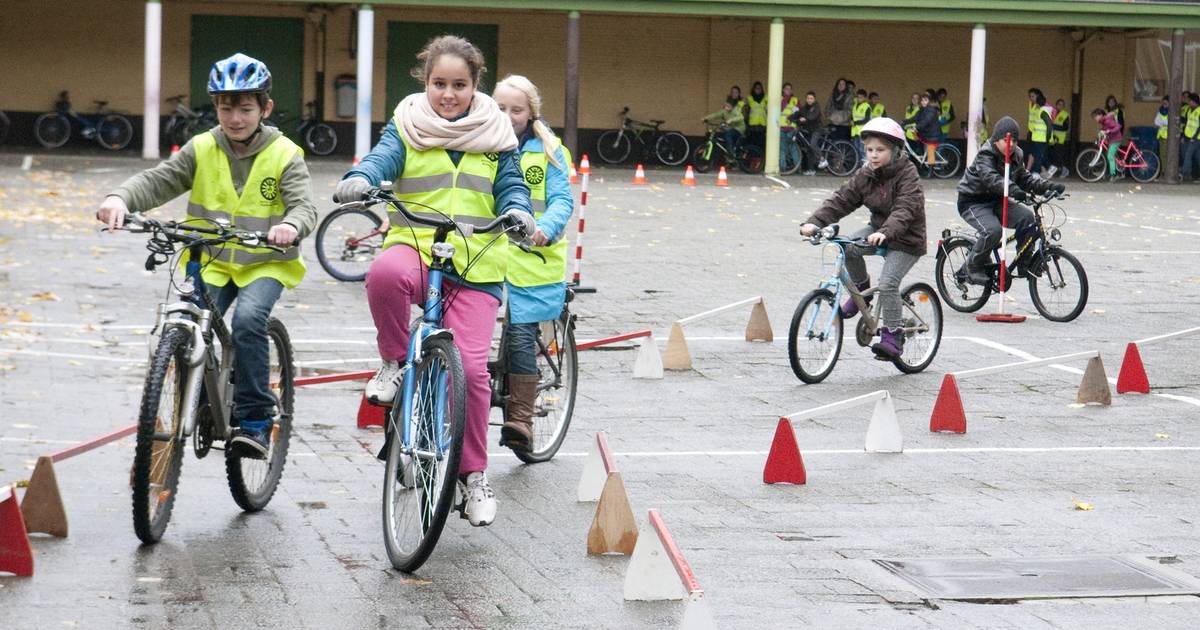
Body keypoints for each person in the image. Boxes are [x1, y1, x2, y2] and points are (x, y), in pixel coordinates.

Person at [335, 35, 534, 527]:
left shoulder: (497, 134)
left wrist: (517, 210)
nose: (448, 94)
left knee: (470, 369)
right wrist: (362, 178)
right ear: (425, 83)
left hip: (476, 263)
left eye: (459, 85)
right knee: (383, 273)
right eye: (439, 83)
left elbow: (512, 183)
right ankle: (391, 365)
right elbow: (382, 160)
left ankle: (473, 477)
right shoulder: (406, 126)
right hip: (417, 249)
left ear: (475, 86)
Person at [95, 53, 318, 459]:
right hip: (210, 259)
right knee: (186, 319)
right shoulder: (201, 147)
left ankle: (254, 419)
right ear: (215, 108)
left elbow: (304, 207)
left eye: (246, 108)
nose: (235, 118)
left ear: (264, 109)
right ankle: (198, 393)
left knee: (249, 321)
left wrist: (290, 226)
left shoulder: (286, 154)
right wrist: (119, 197)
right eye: (226, 108)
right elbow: (158, 181)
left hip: (263, 261)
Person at [798, 117, 925, 360]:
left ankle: (893, 335)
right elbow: (842, 199)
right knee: (847, 246)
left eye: (881, 150)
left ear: (896, 150)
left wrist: (885, 233)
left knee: (888, 283)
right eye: (869, 150)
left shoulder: (908, 175)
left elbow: (904, 210)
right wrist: (814, 222)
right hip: (878, 230)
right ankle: (862, 295)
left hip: (907, 238)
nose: (874, 155)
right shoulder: (866, 174)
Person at [491, 75, 573, 451]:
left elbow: (561, 200)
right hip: (487, 251)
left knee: (522, 333)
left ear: (531, 113)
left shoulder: (549, 149)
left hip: (532, 257)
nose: (508, 116)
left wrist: (546, 228)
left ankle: (520, 416)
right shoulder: (479, 141)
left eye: (516, 110)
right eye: (501, 108)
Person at [956, 116, 1064, 286]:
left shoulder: (1017, 154)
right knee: (993, 231)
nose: (1012, 144)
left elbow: (1025, 178)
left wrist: (1048, 187)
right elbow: (991, 179)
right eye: (1007, 140)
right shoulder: (986, 154)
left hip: (998, 200)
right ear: (996, 139)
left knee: (1028, 219)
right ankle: (973, 266)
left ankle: (1025, 264)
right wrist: (1015, 191)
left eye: (1015, 140)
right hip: (973, 201)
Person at [789, 91, 825, 175]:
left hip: (817, 129)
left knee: (812, 145)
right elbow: (799, 113)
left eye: (811, 98)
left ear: (814, 99)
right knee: (809, 149)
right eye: (808, 98)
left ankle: (822, 159)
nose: (809, 100)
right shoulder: (805, 107)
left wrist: (806, 119)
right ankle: (811, 170)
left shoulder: (816, 107)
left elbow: (813, 116)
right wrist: (790, 117)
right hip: (809, 130)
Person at [1025, 88, 1053, 175]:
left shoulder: (1043, 108)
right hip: (1033, 133)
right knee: (1035, 153)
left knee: (1037, 154)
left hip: (1040, 135)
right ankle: (1041, 171)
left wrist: (1048, 137)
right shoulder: (1032, 105)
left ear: (1038, 96)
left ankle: (1035, 171)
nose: (1031, 98)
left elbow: (1048, 124)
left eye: (1033, 96)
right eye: (1030, 96)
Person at [1092, 108, 1123, 182]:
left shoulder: (1107, 120)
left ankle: (1114, 175)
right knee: (1109, 155)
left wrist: (1109, 131)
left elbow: (1118, 126)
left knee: (1110, 156)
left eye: (1095, 116)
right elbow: (1104, 129)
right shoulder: (1103, 122)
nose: (1095, 119)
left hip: (1115, 140)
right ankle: (1115, 172)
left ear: (1100, 115)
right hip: (1111, 140)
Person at [913, 92, 941, 167]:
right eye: (922, 100)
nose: (923, 102)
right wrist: (904, 122)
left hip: (932, 135)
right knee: (914, 134)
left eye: (925, 100)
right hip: (926, 134)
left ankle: (931, 169)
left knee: (930, 151)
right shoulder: (922, 110)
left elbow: (926, 121)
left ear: (929, 101)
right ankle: (919, 148)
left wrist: (917, 127)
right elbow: (914, 118)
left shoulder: (931, 110)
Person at [1048, 98, 1071, 179]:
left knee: (1059, 156)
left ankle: (1064, 170)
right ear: (1056, 105)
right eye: (1059, 104)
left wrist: (1054, 126)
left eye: (1062, 105)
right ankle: (1056, 171)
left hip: (1060, 139)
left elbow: (1065, 127)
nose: (1060, 106)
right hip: (1052, 138)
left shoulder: (1065, 115)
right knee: (1053, 155)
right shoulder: (1053, 113)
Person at [1182, 92, 1200, 182]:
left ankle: (1186, 175)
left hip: (1197, 138)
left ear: (1194, 101)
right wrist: (1184, 136)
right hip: (1188, 137)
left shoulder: (1199, 111)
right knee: (1197, 156)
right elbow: (1187, 124)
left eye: (1189, 101)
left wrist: (1194, 137)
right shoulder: (1189, 110)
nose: (1188, 103)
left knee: (1188, 155)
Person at [850, 89, 871, 164]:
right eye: (858, 97)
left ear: (865, 98)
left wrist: (855, 122)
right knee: (856, 150)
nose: (859, 99)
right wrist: (852, 120)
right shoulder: (855, 105)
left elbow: (867, 119)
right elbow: (853, 116)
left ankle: (865, 166)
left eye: (861, 97)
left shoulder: (866, 106)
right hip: (855, 131)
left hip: (863, 131)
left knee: (862, 150)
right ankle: (858, 166)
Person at [745, 81, 768, 150]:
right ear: (753, 89)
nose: (758, 90)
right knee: (752, 143)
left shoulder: (765, 98)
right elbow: (745, 110)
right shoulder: (749, 98)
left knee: (761, 144)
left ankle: (760, 158)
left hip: (762, 125)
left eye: (760, 88)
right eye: (756, 88)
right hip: (752, 125)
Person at [1154, 97, 1170, 170]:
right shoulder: (1160, 111)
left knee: (1166, 155)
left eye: (1166, 103)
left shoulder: (1171, 112)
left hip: (1168, 137)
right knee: (1161, 155)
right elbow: (1156, 122)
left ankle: (1165, 171)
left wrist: (1162, 123)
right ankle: (1162, 171)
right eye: (1163, 103)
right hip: (1160, 135)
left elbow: (1168, 123)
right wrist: (1164, 123)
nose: (1164, 105)